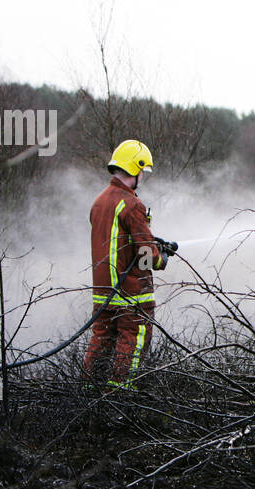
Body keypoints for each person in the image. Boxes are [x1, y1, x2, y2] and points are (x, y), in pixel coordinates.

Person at [83, 139, 170, 390]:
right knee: (133, 341)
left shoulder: (99, 202)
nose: (143, 176)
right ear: (135, 169)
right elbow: (146, 255)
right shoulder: (132, 204)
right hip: (131, 293)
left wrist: (152, 242)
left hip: (103, 294)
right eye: (143, 171)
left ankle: (87, 394)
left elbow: (120, 242)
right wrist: (159, 258)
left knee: (101, 341)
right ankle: (120, 400)